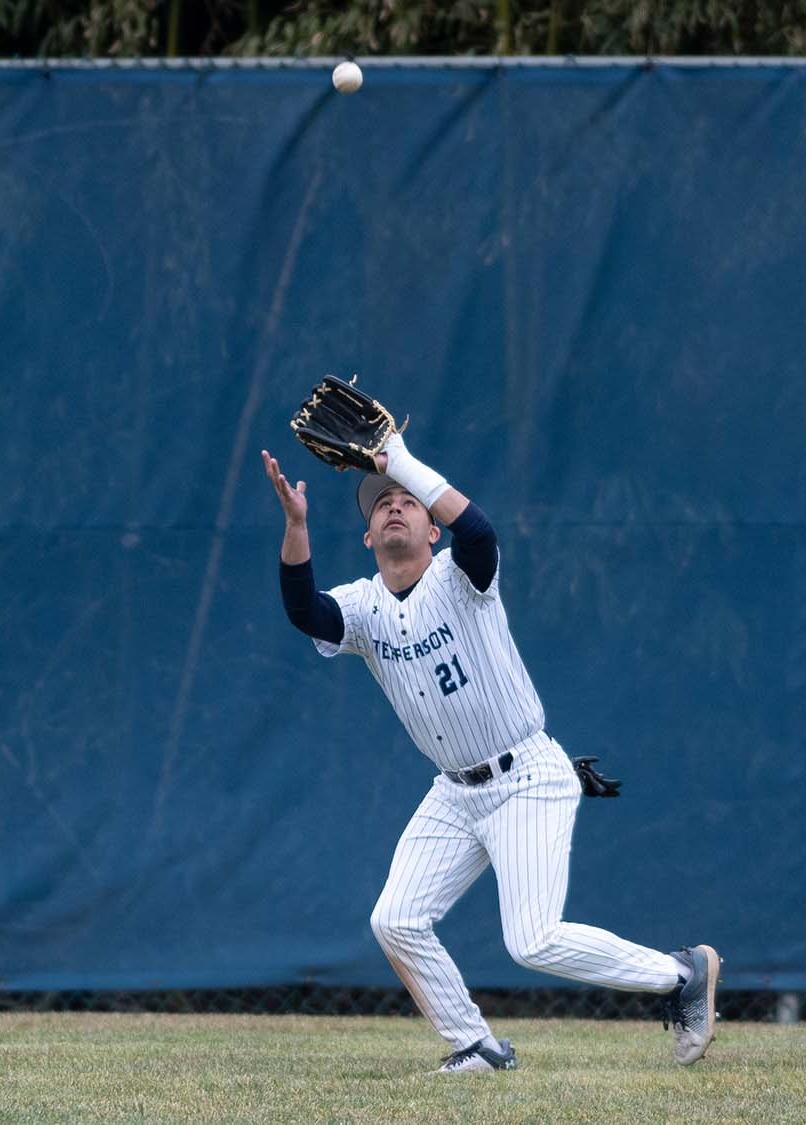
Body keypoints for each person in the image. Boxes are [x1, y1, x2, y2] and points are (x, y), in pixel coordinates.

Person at [260, 431, 720, 1073]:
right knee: (395, 919)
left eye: (407, 502)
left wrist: (406, 465)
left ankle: (681, 975)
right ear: (367, 538)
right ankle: (473, 1044)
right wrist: (296, 524)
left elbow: (477, 531)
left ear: (430, 530)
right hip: (454, 790)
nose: (393, 505)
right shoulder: (364, 607)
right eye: (380, 503)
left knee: (531, 940)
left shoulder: (461, 574)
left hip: (527, 774)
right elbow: (305, 610)